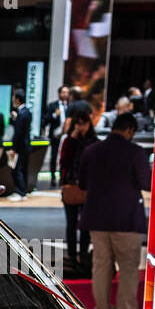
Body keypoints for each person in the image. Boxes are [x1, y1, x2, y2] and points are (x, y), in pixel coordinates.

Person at [78, 112, 149, 309]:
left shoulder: (91, 151)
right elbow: (147, 182)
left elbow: (82, 183)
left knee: (101, 265)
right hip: (126, 219)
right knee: (128, 267)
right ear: (130, 130)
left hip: (97, 218)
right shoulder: (136, 152)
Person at [59, 113, 98, 277]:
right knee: (71, 222)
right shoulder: (69, 141)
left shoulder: (94, 143)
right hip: (71, 186)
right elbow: (64, 162)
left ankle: (83, 254)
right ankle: (72, 255)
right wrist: (73, 139)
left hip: (88, 188)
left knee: (85, 225)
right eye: (78, 124)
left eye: (84, 124)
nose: (81, 127)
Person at [44, 85, 70, 186]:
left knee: (64, 156)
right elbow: (45, 119)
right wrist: (55, 115)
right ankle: (53, 177)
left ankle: (63, 176)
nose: (65, 94)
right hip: (56, 135)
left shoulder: (70, 105)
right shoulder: (52, 105)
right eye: (63, 92)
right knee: (53, 156)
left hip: (66, 135)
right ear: (59, 94)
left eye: (67, 92)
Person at [9, 89, 32, 199]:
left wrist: (14, 148)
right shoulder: (27, 111)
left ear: (17, 99)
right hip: (26, 145)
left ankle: (20, 192)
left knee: (17, 169)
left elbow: (18, 133)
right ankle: (23, 191)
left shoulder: (21, 114)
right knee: (23, 169)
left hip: (21, 146)